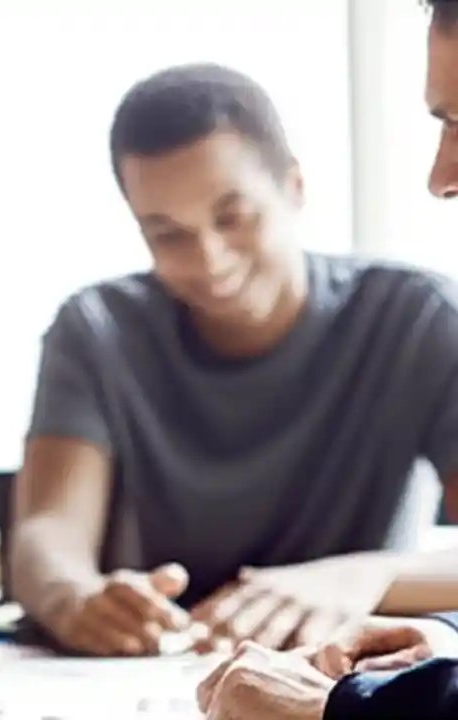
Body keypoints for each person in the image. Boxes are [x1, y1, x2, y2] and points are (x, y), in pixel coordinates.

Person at [10, 60, 458, 659]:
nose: (210, 259)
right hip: (166, 666)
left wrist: (361, 576)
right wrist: (77, 599)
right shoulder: (96, 328)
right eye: (167, 233)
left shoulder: (416, 317)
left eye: (233, 217)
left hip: (343, 672)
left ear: (294, 188)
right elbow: (48, 533)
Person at [199, 1, 458, 716]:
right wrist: (439, 644)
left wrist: (342, 710)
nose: (440, 178)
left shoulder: (418, 314)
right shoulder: (99, 324)